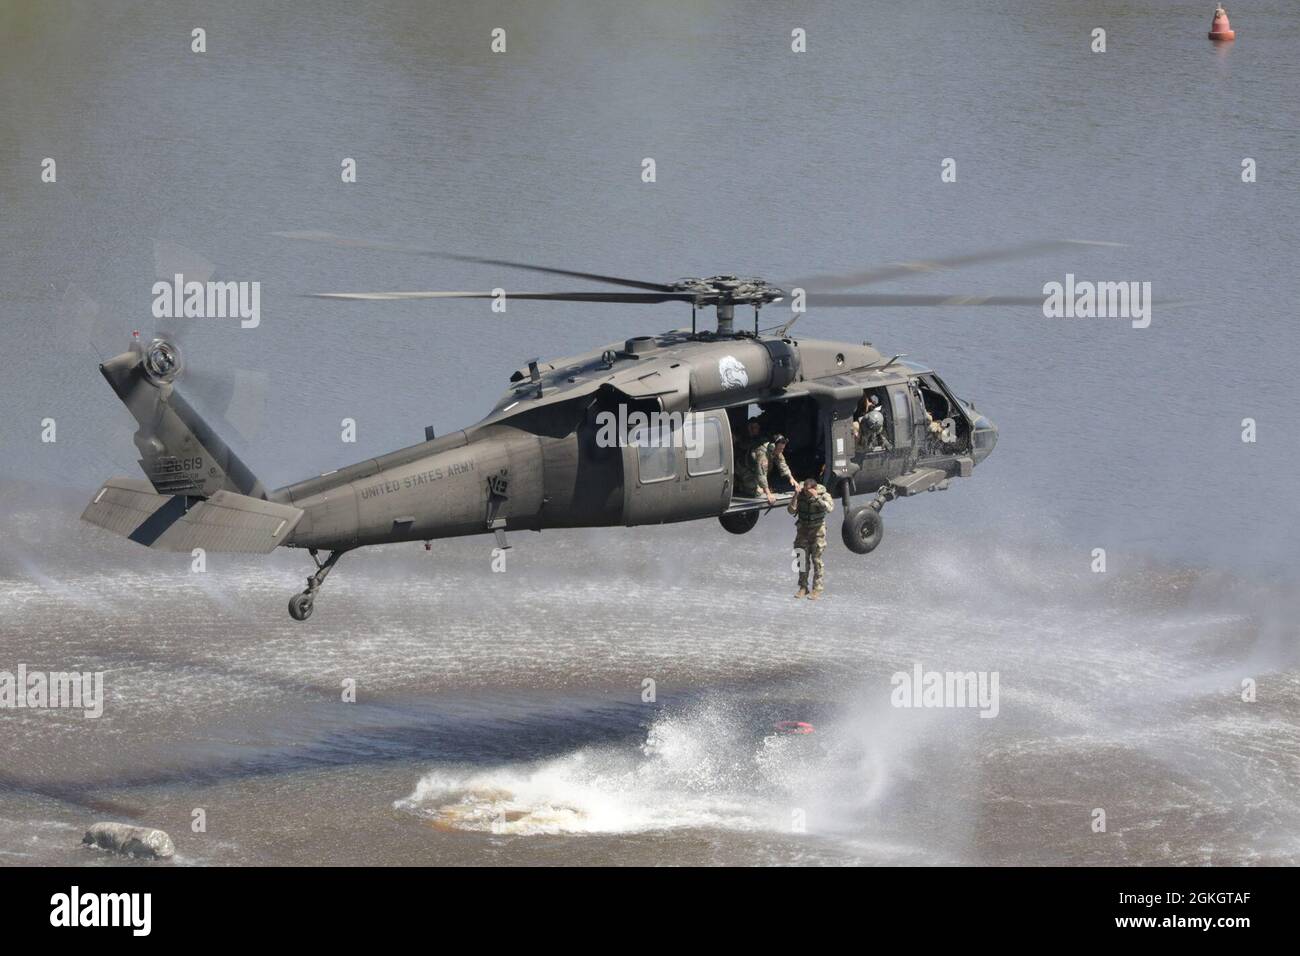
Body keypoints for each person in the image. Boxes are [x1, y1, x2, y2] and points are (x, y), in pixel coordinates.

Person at [789, 475, 835, 599]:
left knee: (817, 561)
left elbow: (830, 508)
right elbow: (791, 511)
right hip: (803, 531)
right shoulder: (801, 495)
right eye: (805, 490)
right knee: (802, 560)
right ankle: (803, 587)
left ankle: (817, 589)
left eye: (808, 491)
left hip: (817, 532)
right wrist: (795, 496)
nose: (806, 493)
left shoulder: (823, 495)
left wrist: (816, 498)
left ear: (814, 489)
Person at [754, 432, 796, 503]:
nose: (782, 451)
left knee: (764, 488)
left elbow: (783, 465)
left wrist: (791, 478)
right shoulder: (762, 453)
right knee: (759, 492)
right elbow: (761, 474)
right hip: (747, 472)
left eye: (783, 449)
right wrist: (768, 494)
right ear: (772, 446)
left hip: (758, 474)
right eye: (780, 448)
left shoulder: (777, 451)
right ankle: (740, 484)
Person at [733, 418, 764, 497]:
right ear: (749, 428)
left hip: (751, 467)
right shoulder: (743, 438)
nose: (757, 429)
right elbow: (743, 446)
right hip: (741, 467)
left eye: (758, 427)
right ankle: (741, 486)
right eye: (754, 427)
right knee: (758, 492)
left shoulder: (758, 438)